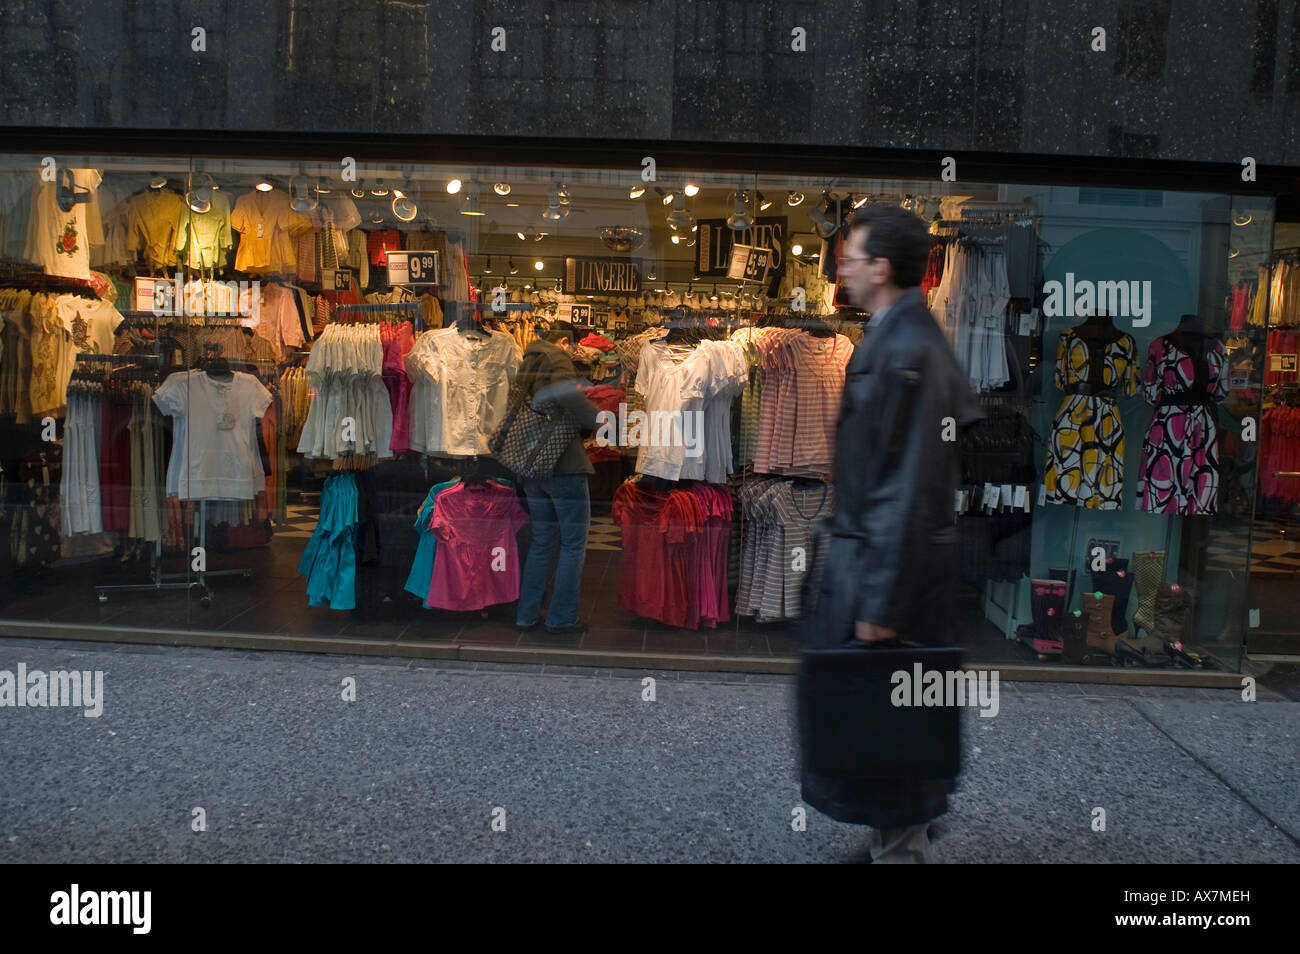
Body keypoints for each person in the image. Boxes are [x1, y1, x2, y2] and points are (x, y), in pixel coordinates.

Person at [800, 204, 979, 863]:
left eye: (849, 257)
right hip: (880, 565)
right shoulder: (897, 334)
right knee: (880, 718)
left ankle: (902, 847)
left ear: (880, 267)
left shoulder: (907, 348)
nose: (839, 267)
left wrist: (880, 603)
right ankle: (897, 837)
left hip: (892, 578)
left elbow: (911, 485)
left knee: (890, 720)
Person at [513, 321, 600, 635]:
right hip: (562, 463)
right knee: (573, 544)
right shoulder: (556, 356)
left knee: (541, 542)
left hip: (531, 462)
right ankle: (561, 617)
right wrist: (600, 420)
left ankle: (526, 614)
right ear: (564, 340)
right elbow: (568, 395)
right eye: (573, 347)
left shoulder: (529, 358)